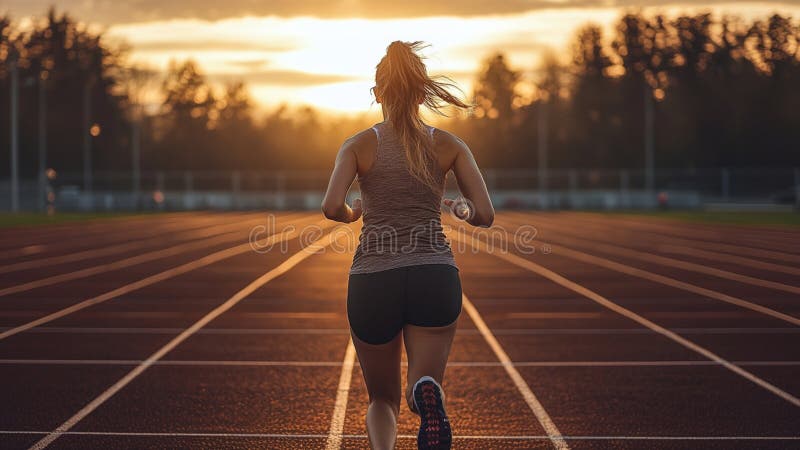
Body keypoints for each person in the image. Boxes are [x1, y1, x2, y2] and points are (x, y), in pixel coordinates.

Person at [322, 40, 494, 450]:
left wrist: (353, 213)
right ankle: (425, 391)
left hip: (373, 280)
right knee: (424, 379)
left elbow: (331, 206)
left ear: (377, 93)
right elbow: (485, 214)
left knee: (381, 399)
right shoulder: (449, 144)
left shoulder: (358, 145)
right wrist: (463, 211)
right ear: (421, 94)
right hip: (434, 276)